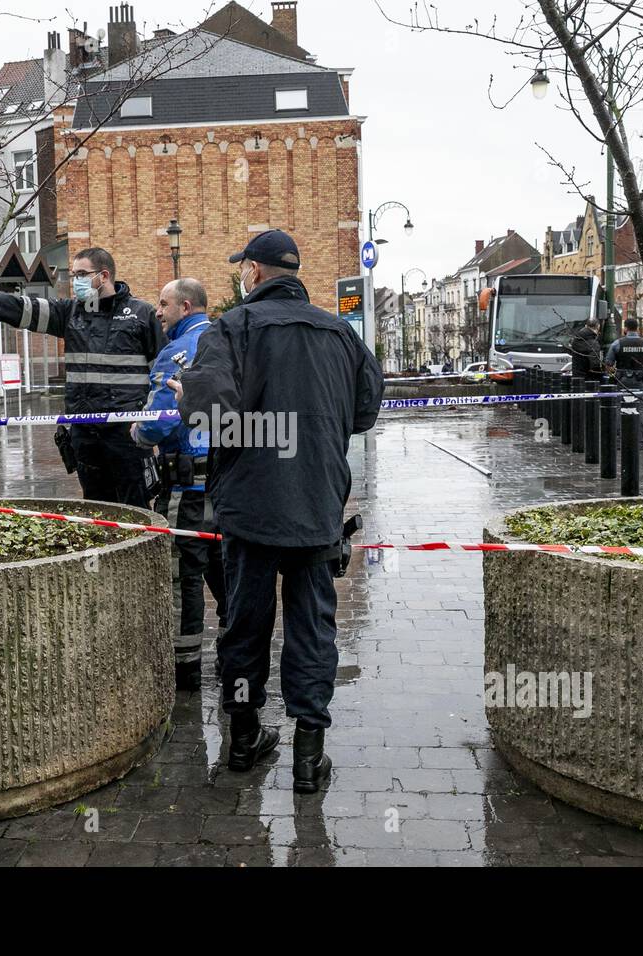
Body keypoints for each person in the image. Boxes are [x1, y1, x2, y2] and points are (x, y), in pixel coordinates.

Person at [177, 229, 384, 794]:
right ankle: (308, 757)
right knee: (313, 627)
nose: (241, 276)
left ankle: (244, 738)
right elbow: (365, 413)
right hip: (317, 505)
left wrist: (187, 397)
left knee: (244, 625)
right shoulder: (340, 333)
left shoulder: (233, 328)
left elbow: (210, 416)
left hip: (249, 508)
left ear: (255, 272)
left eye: (243, 267)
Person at [0, 249, 164, 508]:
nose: (76, 282)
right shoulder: (70, 313)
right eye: (74, 275)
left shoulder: (141, 314)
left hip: (126, 434)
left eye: (82, 274)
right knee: (97, 510)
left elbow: (161, 374)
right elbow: (18, 307)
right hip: (85, 434)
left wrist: (150, 423)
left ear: (104, 276)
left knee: (137, 507)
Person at [131, 278, 226, 692]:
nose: (158, 312)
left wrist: (137, 431)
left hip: (186, 486)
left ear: (185, 306)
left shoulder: (178, 352)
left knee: (184, 576)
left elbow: (162, 421)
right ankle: (233, 656)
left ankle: (185, 669)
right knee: (227, 572)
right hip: (228, 486)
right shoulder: (227, 340)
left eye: (163, 304)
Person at [605, 316, 643, 390]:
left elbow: (608, 364)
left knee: (621, 401)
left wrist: (615, 373)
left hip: (622, 381)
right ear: (637, 329)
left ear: (626, 328)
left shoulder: (617, 343)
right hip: (640, 381)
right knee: (641, 400)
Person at [569, 316, 604, 381]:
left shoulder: (576, 339)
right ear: (598, 326)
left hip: (576, 377)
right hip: (589, 380)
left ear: (585, 326)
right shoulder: (593, 343)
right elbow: (595, 365)